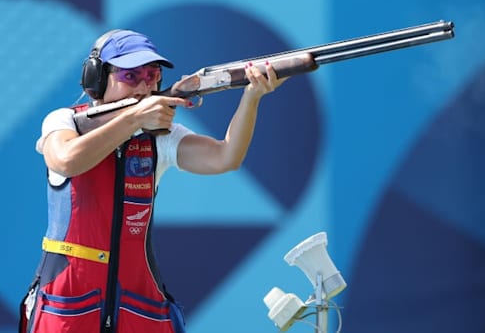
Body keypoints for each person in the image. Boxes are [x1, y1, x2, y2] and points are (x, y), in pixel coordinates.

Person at [19, 29, 287, 333]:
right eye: (131, 75)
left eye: (152, 74)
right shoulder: (64, 120)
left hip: (136, 303)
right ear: (98, 77)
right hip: (69, 304)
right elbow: (66, 160)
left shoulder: (161, 136)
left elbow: (225, 157)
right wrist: (134, 119)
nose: (145, 85)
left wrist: (251, 98)